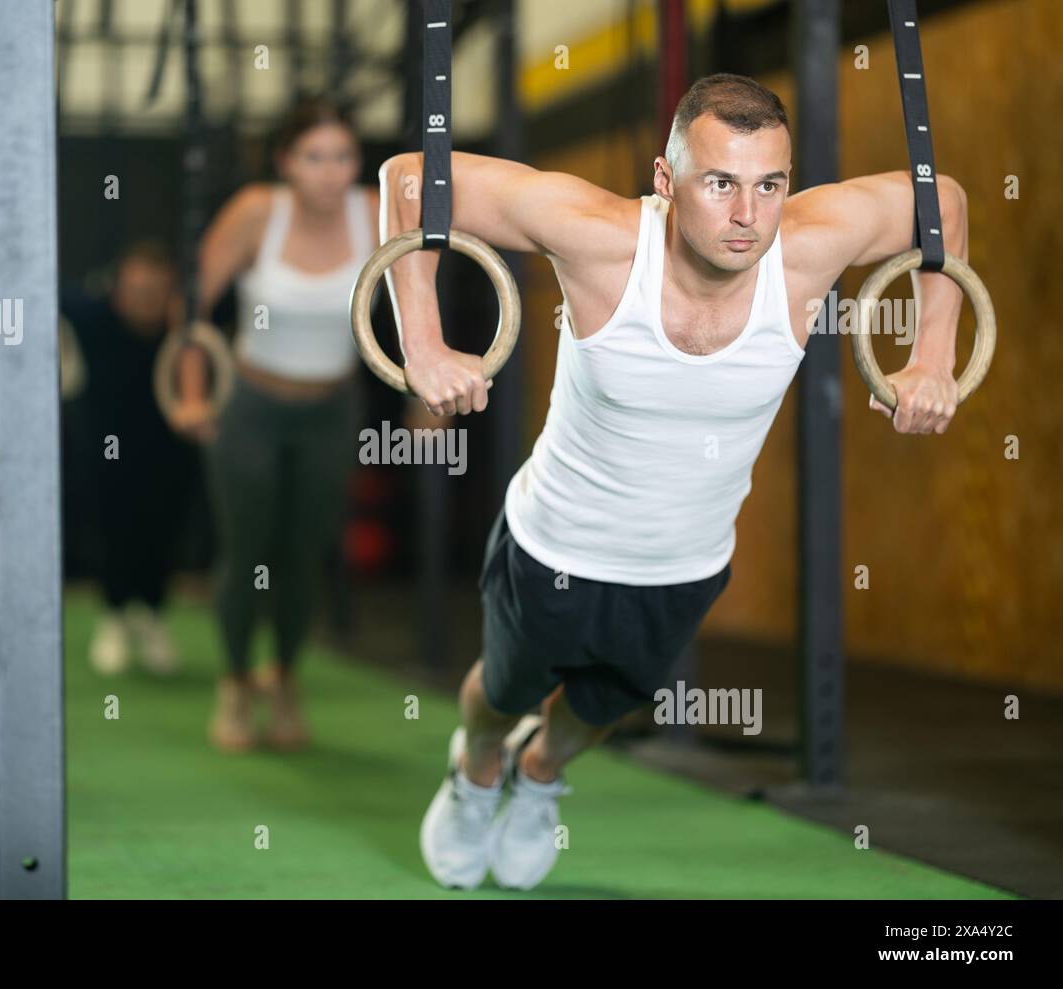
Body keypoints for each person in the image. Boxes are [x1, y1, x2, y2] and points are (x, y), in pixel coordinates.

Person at [378, 74, 967, 890]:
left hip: (681, 565)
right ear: (666, 180)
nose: (747, 216)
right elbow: (412, 178)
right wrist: (424, 342)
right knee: (502, 693)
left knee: (594, 712)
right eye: (720, 182)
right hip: (553, 540)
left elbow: (945, 203)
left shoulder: (808, 246)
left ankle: (540, 774)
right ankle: (478, 767)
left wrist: (934, 353)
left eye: (770, 185)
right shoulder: (599, 238)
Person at [168, 100, 381, 753]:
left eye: (342, 156)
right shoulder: (259, 211)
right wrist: (193, 391)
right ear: (286, 162)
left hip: (330, 408)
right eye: (313, 157)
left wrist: (423, 389)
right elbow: (193, 297)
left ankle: (283, 676)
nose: (329, 173)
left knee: (305, 555)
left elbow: (412, 295)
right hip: (250, 407)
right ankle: (235, 682)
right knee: (246, 549)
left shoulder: (373, 212)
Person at [64, 240, 190, 677]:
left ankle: (151, 615)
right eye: (136, 289)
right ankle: (114, 616)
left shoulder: (184, 327)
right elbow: (46, 290)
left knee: (161, 532)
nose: (145, 299)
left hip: (168, 453)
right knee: (110, 530)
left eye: (156, 290)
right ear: (116, 288)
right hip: (103, 452)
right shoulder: (93, 317)